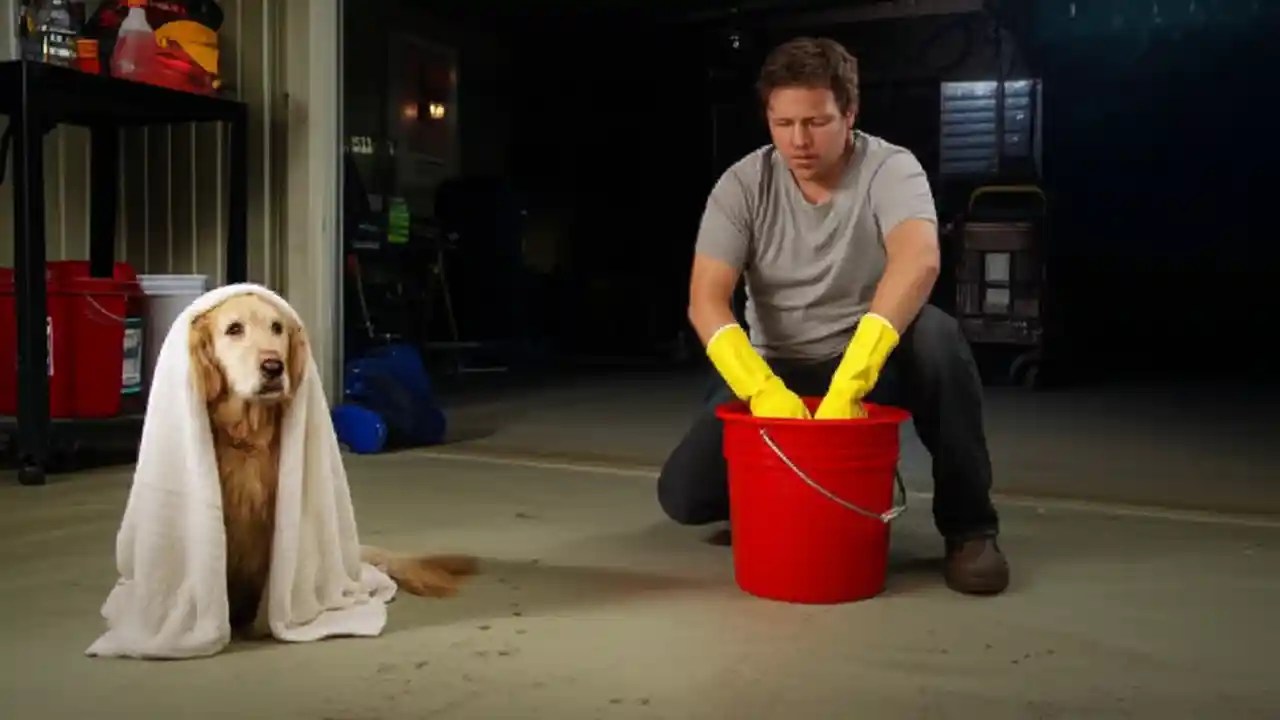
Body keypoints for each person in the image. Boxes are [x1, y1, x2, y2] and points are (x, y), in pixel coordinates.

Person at [657, 36, 1009, 595]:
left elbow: (918, 259)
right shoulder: (742, 185)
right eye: (783, 122)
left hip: (868, 364)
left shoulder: (890, 169)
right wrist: (761, 388)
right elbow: (706, 299)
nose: (798, 140)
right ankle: (780, 495)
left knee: (938, 337)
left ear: (850, 112)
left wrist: (856, 372)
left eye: (817, 122)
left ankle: (970, 528)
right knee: (683, 498)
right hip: (775, 368)